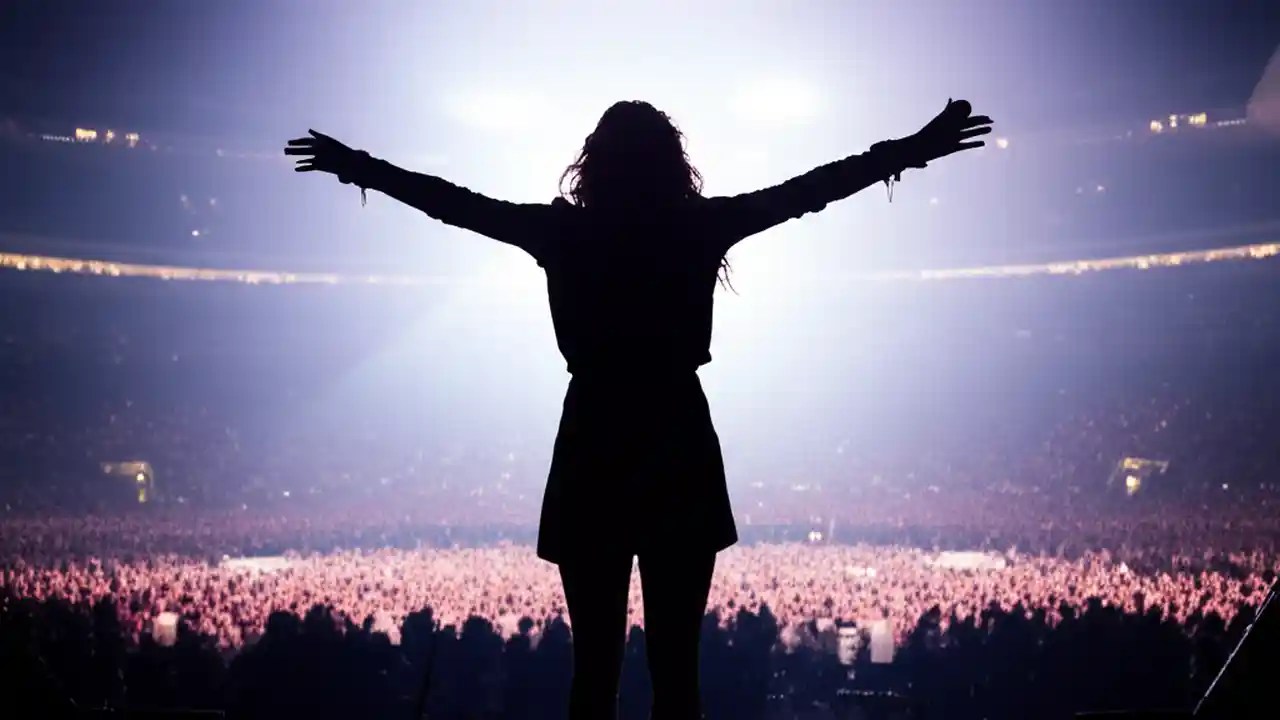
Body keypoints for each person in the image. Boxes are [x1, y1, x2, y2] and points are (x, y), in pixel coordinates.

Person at [285, 98, 992, 720]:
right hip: (676, 441)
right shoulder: (696, 229)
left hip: (593, 439)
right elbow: (816, 189)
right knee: (677, 676)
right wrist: (914, 150)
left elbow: (450, 202)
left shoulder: (564, 234)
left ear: (592, 165)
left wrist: (359, 166)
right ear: (672, 164)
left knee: (592, 672)